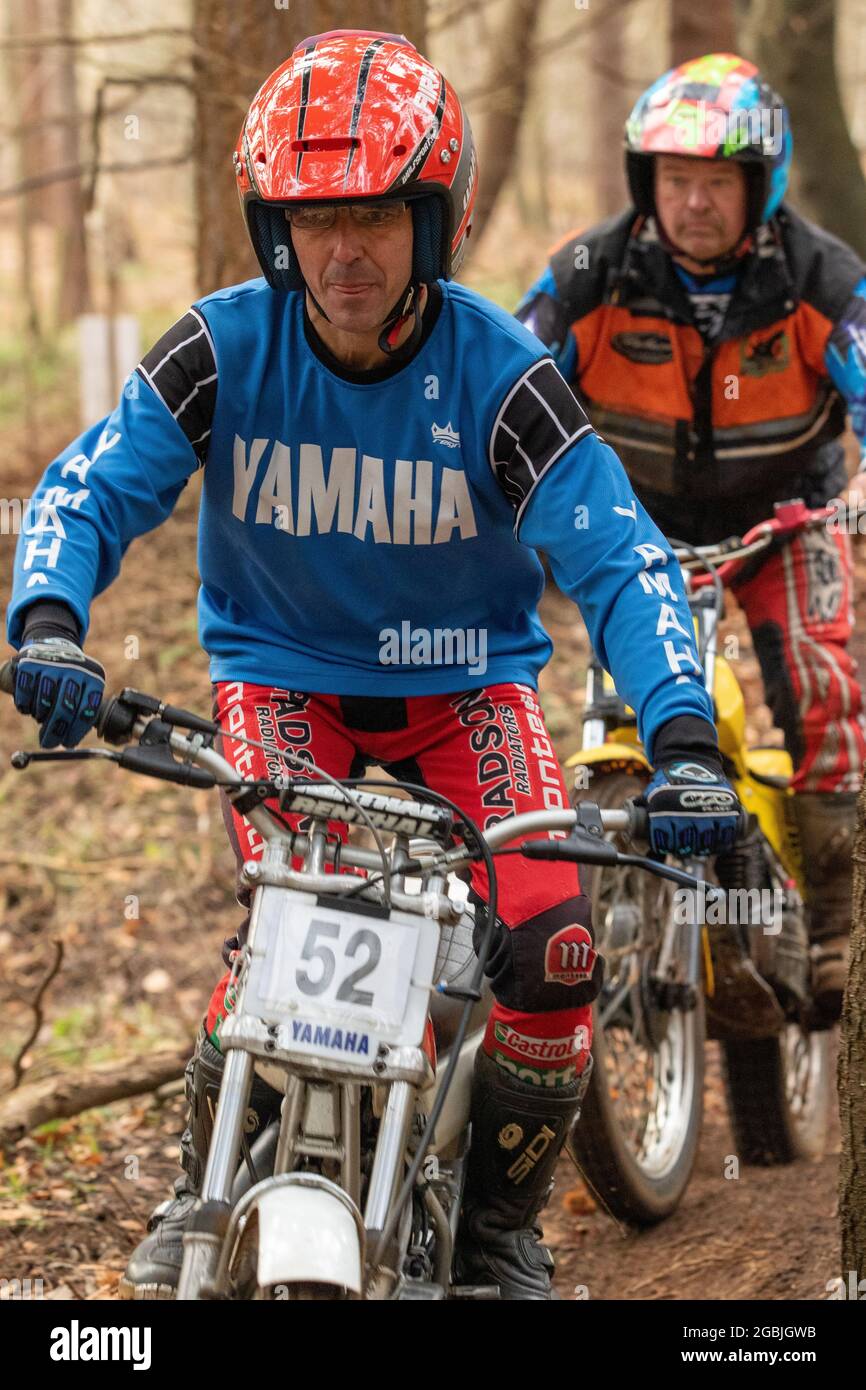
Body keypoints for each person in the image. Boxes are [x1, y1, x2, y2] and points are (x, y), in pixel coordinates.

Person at [7, 31, 739, 1301]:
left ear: (432, 219)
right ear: (271, 225)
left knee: (554, 951)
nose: (342, 252)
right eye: (313, 219)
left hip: (469, 693)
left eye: (374, 218)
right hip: (283, 685)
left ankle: (500, 1220)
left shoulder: (504, 379)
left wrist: (679, 735)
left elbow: (621, 559)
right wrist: (48, 623)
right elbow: (91, 482)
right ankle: (206, 1176)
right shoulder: (219, 347)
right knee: (302, 917)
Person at [517, 52, 866, 1026]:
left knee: (819, 693)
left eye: (715, 180)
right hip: (634, 536)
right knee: (614, 701)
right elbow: (504, 382)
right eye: (675, 179)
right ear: (645, 183)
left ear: (758, 185)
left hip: (785, 522)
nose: (695, 202)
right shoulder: (587, 276)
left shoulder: (818, 276)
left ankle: (836, 932)